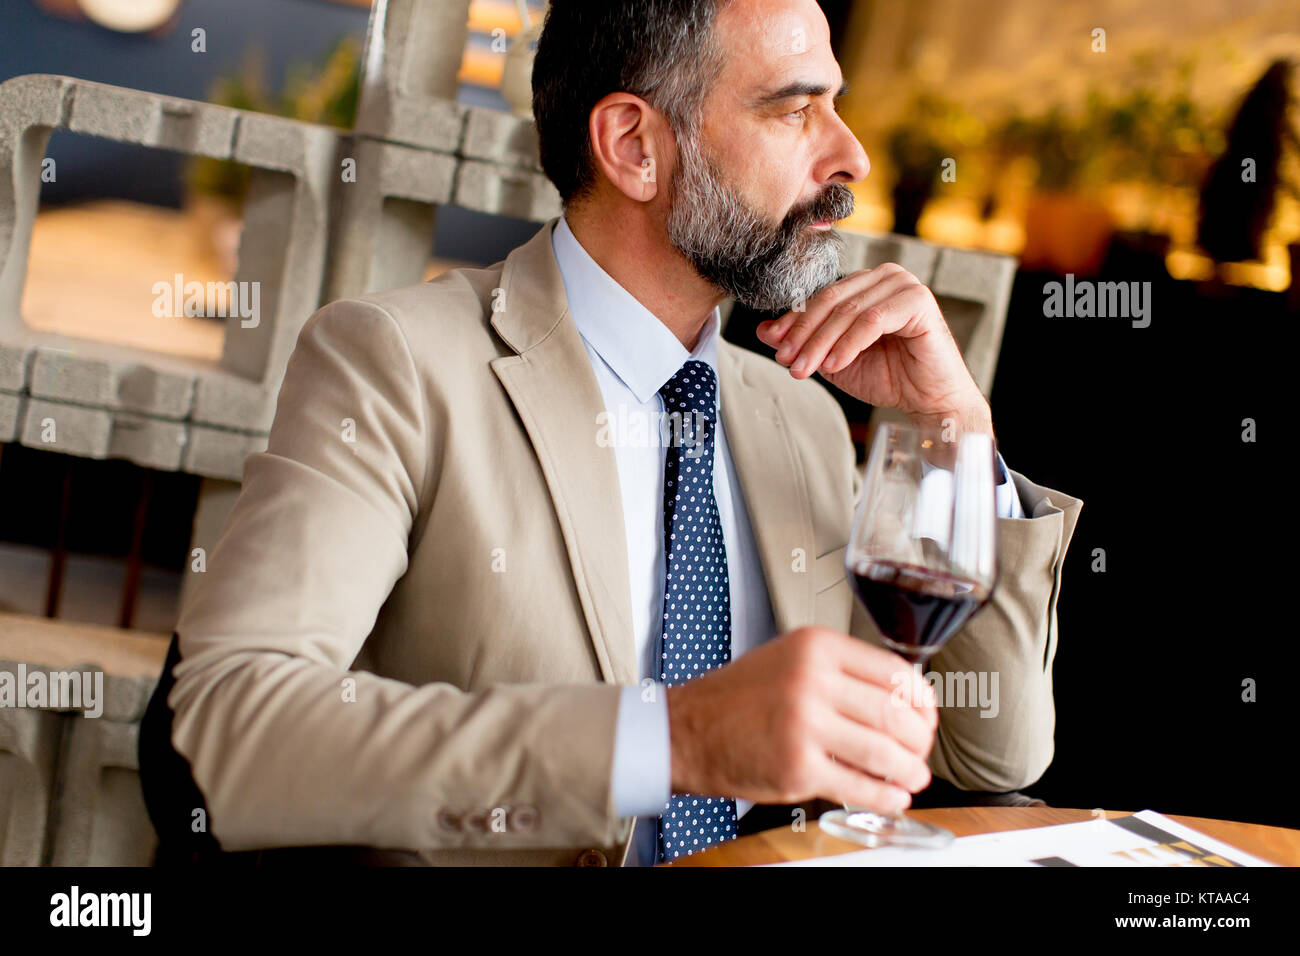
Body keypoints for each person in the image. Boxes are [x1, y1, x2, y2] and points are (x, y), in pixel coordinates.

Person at [139, 0, 1081, 867]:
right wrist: (675, 739)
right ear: (634, 145)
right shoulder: (395, 363)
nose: (852, 157)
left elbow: (994, 754)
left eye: (836, 105)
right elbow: (230, 734)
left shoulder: (802, 413)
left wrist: (955, 433)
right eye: (796, 111)